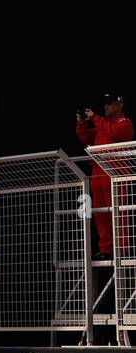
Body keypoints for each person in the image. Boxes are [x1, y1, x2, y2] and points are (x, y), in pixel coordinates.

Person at [76, 94, 133, 260]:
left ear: (119, 105)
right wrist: (81, 123)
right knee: (100, 212)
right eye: (105, 105)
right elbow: (85, 137)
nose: (105, 107)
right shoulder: (101, 124)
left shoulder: (125, 123)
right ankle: (106, 249)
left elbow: (114, 132)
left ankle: (123, 248)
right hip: (98, 172)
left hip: (116, 172)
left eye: (109, 104)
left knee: (118, 210)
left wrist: (95, 118)